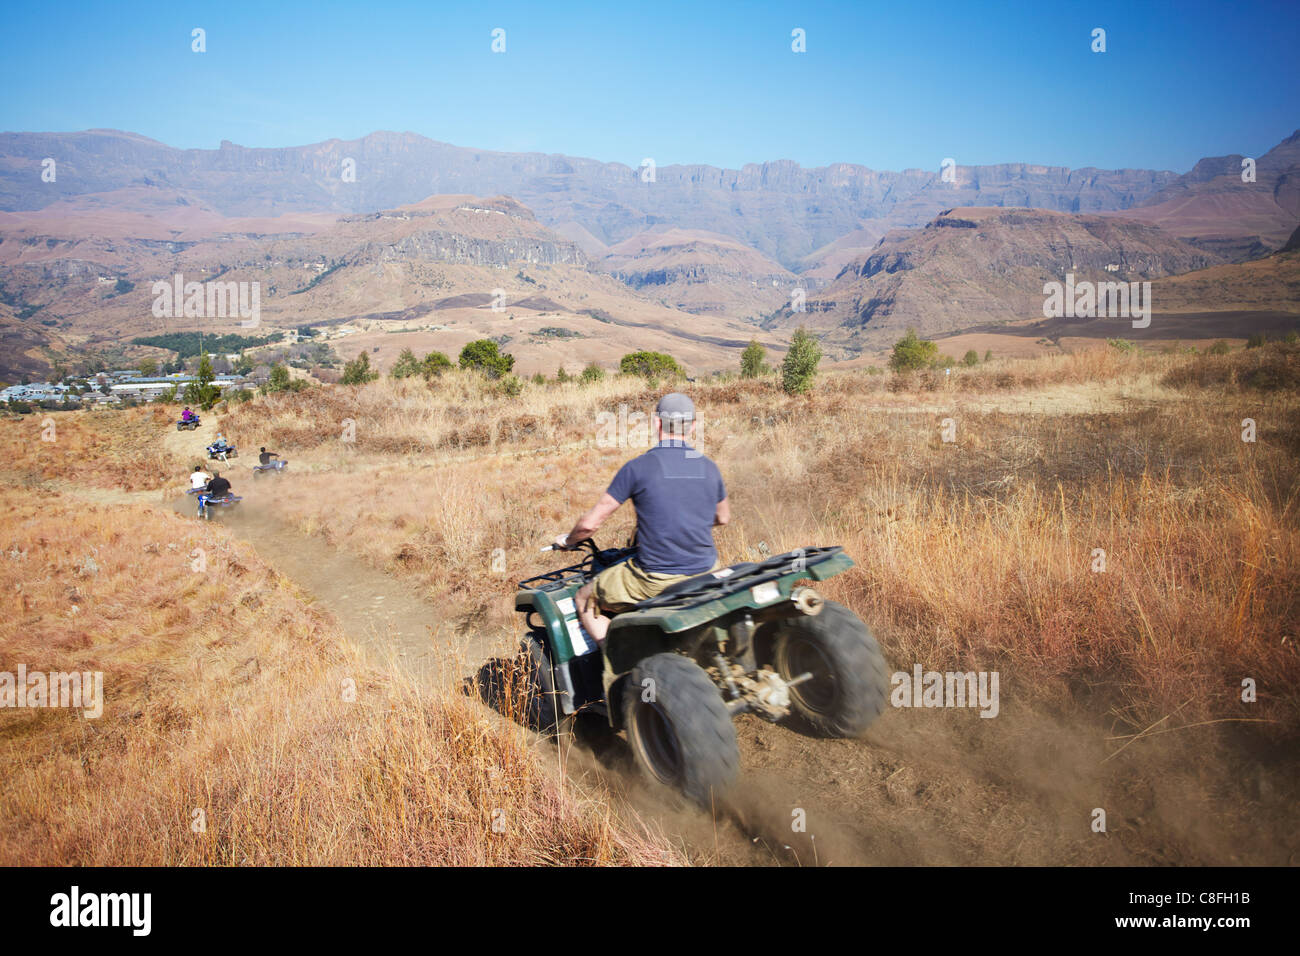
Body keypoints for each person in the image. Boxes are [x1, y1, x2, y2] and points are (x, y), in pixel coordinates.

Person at [556, 393, 729, 645]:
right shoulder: (708, 466)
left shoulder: (638, 467)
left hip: (655, 579)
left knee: (583, 597)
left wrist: (567, 541)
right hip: (706, 571)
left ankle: (617, 662)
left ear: (657, 423)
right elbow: (722, 517)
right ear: (693, 426)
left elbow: (589, 524)